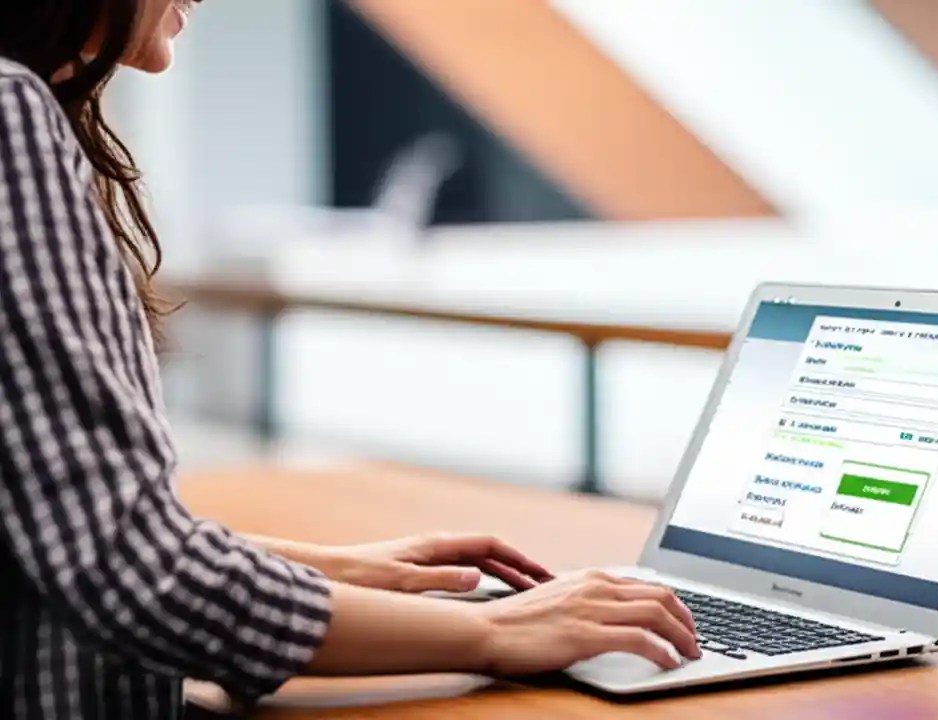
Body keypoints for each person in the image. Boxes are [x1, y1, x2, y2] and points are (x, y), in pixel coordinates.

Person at [0, 1, 699, 718]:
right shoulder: (10, 114)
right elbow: (131, 570)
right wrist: (496, 627)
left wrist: (345, 571)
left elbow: (52, 527)